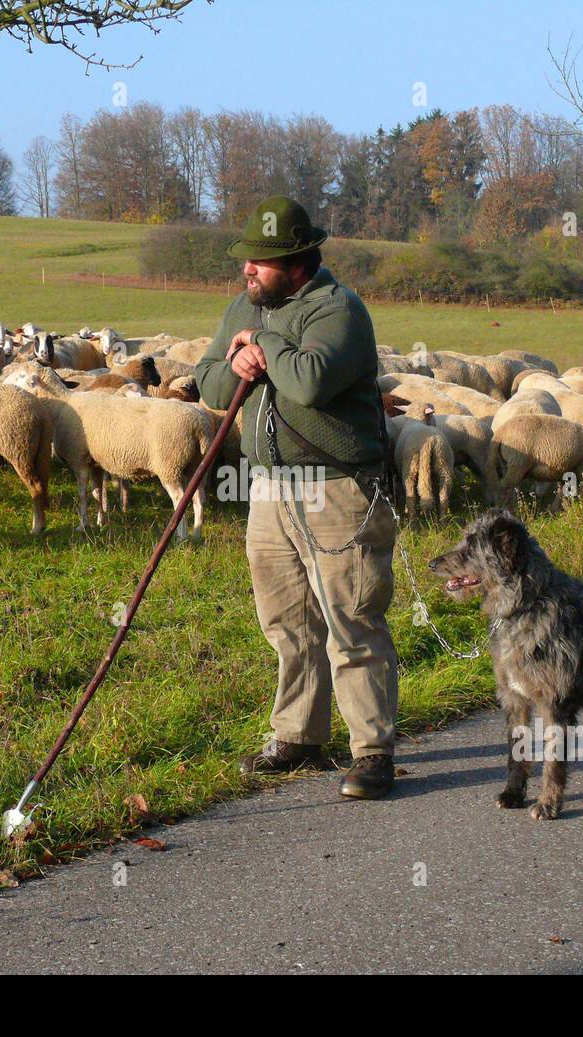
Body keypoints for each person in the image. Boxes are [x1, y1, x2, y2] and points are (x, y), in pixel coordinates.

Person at [194, 194, 399, 799]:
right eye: (247, 261)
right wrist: (239, 356)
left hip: (337, 487)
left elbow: (308, 382)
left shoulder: (338, 310)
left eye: (261, 262)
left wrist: (263, 346)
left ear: (299, 261)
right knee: (287, 619)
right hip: (267, 488)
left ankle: (372, 752)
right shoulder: (242, 307)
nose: (247, 271)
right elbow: (208, 381)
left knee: (351, 618)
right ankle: (298, 736)